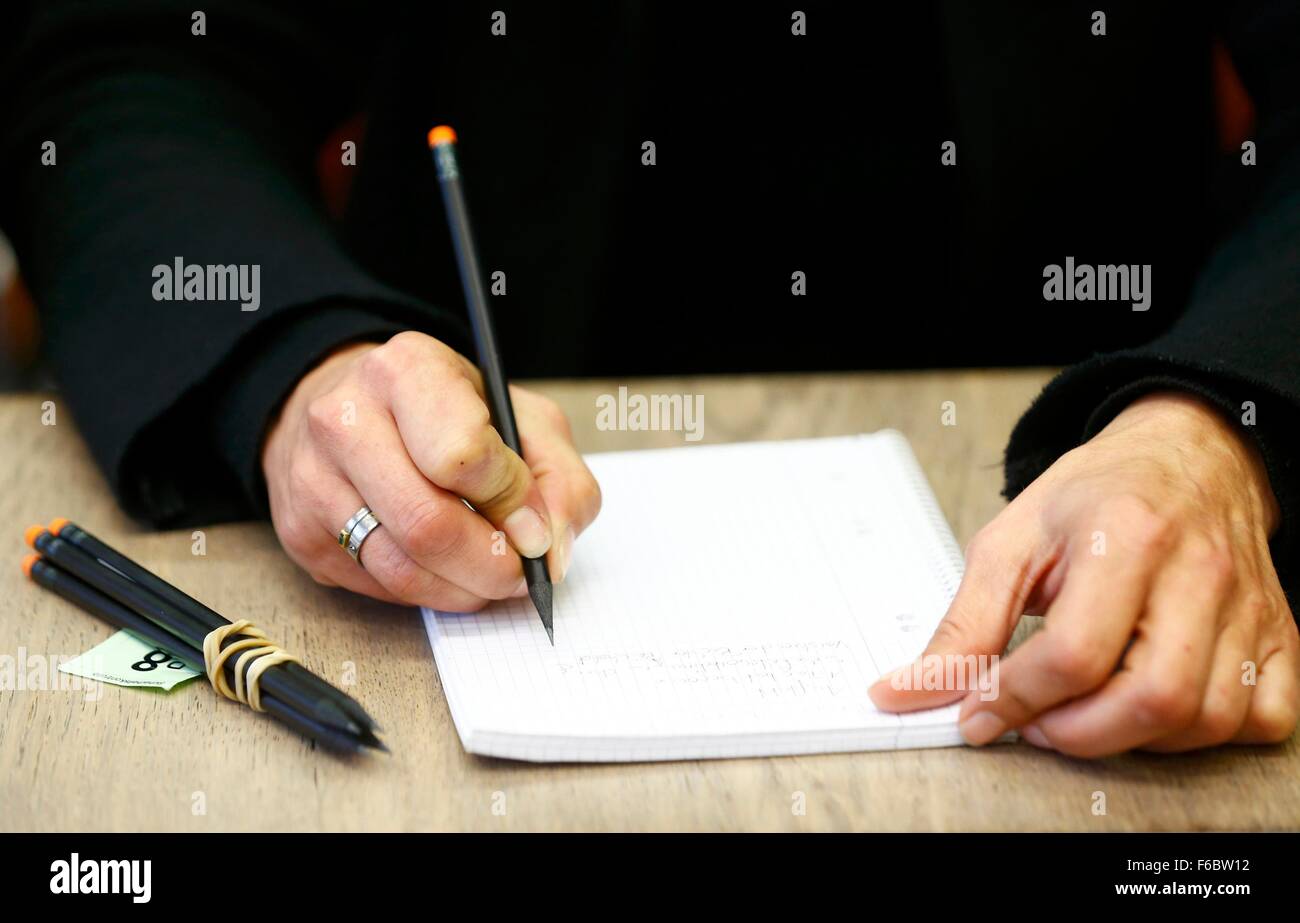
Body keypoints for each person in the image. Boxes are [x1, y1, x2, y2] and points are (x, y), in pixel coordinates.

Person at [1, 1, 1296, 756]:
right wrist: (299, 360)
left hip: (1095, 421)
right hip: (459, 378)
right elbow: (138, 51)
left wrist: (1216, 416)